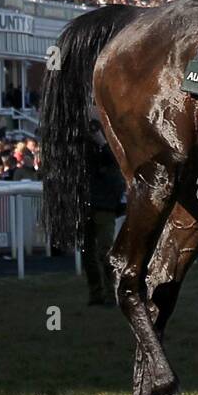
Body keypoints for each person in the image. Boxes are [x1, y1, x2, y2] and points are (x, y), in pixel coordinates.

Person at [82, 120, 126, 305]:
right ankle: (97, 293)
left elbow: (117, 161)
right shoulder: (85, 151)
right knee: (88, 254)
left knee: (104, 251)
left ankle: (111, 293)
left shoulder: (111, 148)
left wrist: (102, 143)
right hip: (89, 204)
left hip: (105, 206)